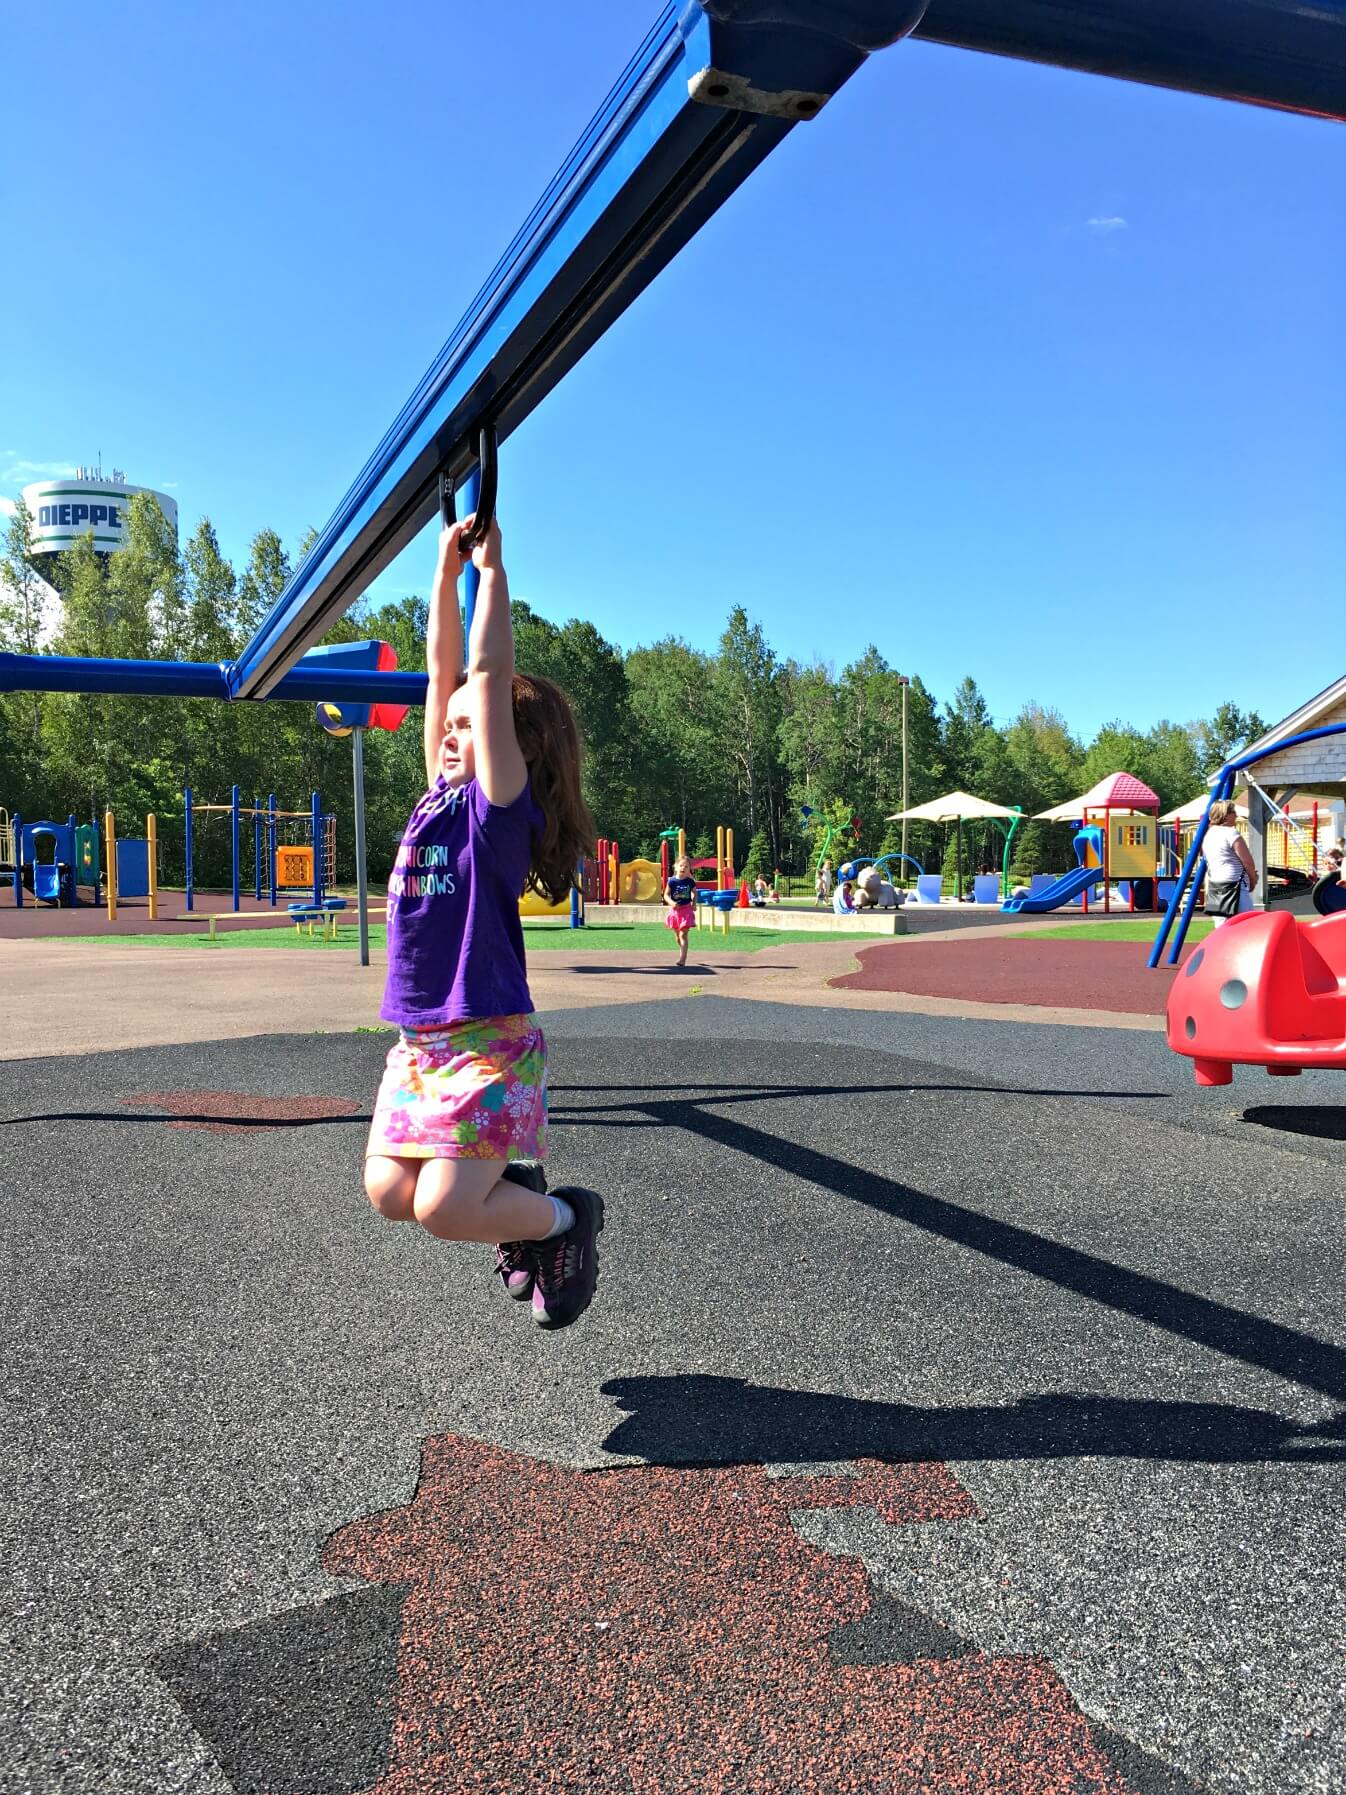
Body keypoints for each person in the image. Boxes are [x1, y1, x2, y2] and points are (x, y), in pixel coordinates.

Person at [362, 512, 603, 1332]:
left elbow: (483, 672)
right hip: (422, 1042)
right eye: (451, 727)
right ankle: (514, 1203)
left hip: (487, 1038)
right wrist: (440, 570)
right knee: (389, 1191)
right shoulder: (435, 795)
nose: (453, 734)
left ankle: (566, 1219)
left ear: (513, 745)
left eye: (472, 726)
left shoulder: (495, 811)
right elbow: (442, 673)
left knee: (439, 1206)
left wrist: (491, 572)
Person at [1202, 798, 1257, 924]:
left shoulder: (1209, 835)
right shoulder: (1231, 833)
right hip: (1235, 884)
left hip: (1216, 885)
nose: (1236, 815)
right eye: (1233, 812)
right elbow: (1247, 861)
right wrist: (1253, 880)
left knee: (1222, 927)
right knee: (1247, 924)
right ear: (1225, 815)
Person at [663, 852, 697, 967]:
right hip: (675, 911)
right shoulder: (672, 881)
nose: (683, 868)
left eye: (686, 866)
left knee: (683, 935)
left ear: (689, 869)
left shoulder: (690, 881)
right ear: (676, 867)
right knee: (677, 936)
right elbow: (666, 895)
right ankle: (682, 949)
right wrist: (672, 903)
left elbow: (694, 893)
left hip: (686, 910)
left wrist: (694, 902)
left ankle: (682, 958)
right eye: (681, 865)